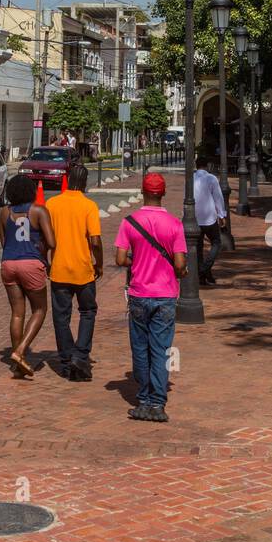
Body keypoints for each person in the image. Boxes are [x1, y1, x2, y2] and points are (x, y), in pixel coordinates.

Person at [114, 172, 187, 424]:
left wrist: (139, 261)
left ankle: (143, 400)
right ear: (163, 193)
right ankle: (158, 403)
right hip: (165, 295)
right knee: (161, 349)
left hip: (139, 293)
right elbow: (179, 264)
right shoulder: (175, 225)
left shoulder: (130, 222)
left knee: (140, 348)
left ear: (143, 192)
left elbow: (120, 259)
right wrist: (180, 270)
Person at [47, 161, 103, 380]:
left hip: (59, 268)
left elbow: (45, 238)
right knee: (87, 312)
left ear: (68, 180)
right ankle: (80, 354)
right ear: (85, 182)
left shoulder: (53, 204)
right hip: (83, 270)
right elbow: (95, 240)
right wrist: (98, 263)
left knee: (61, 317)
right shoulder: (89, 206)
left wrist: (46, 260)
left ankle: (67, 358)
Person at [0, 173, 55, 378]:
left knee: (17, 313)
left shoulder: (5, 212)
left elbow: (4, 242)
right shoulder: (39, 210)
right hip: (31, 262)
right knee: (39, 309)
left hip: (8, 263)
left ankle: (17, 362)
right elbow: (52, 241)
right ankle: (20, 351)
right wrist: (42, 252)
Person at [193, 154, 226, 287]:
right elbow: (218, 198)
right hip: (209, 218)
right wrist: (222, 215)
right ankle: (204, 270)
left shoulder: (190, 179)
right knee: (216, 243)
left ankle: (204, 275)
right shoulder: (211, 178)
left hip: (194, 218)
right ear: (207, 166)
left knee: (199, 248)